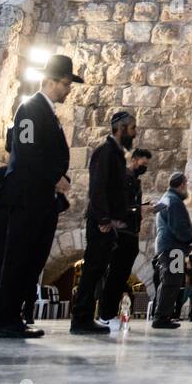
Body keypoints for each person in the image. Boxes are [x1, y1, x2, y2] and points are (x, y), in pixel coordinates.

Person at [0, 54, 80, 338]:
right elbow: (26, 152)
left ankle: (16, 316)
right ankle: (4, 319)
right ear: (51, 81)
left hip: (42, 199)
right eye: (66, 83)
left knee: (33, 259)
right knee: (19, 257)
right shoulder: (29, 109)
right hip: (28, 197)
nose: (69, 89)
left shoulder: (48, 111)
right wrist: (55, 178)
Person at [70, 111, 138, 335]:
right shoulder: (105, 152)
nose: (134, 133)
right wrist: (104, 220)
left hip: (110, 224)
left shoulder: (116, 154)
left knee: (98, 271)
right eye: (132, 128)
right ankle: (80, 319)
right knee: (92, 270)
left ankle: (85, 317)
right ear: (120, 128)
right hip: (101, 222)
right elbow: (97, 188)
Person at [95, 145, 151, 327]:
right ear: (134, 160)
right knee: (115, 276)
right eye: (143, 162)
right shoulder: (123, 179)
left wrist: (141, 207)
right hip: (121, 233)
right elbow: (119, 206)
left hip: (131, 233)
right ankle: (105, 315)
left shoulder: (135, 181)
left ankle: (110, 314)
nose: (145, 166)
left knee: (121, 277)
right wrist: (138, 208)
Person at [151, 172, 192, 329]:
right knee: (172, 281)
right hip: (174, 248)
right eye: (186, 185)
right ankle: (161, 317)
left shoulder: (167, 198)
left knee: (170, 280)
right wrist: (188, 240)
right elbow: (179, 227)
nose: (187, 188)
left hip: (169, 247)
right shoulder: (174, 201)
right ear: (182, 185)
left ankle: (163, 316)